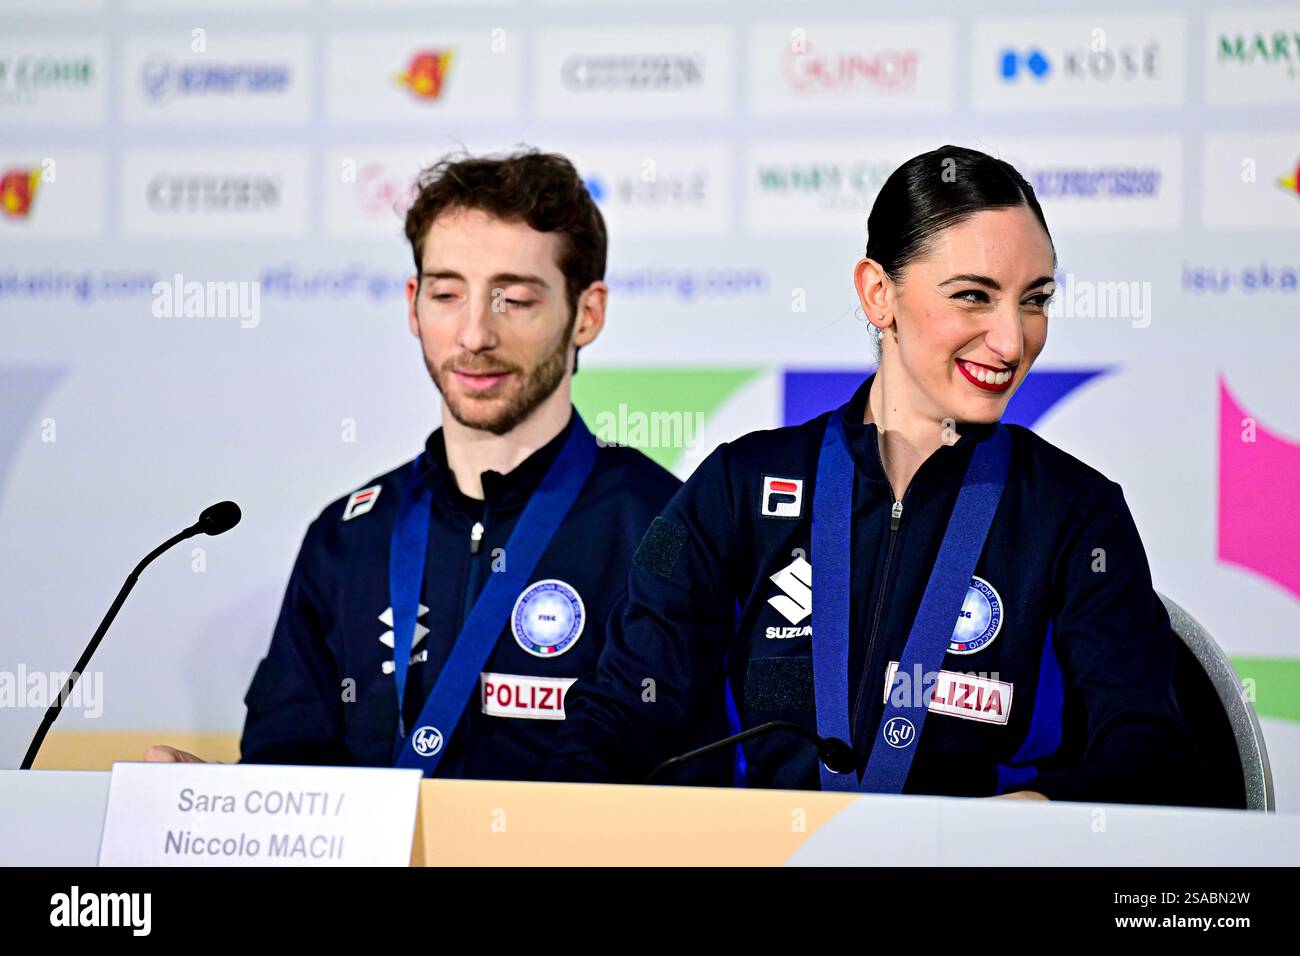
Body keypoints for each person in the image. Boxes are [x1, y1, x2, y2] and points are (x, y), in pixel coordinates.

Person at [545, 144, 1203, 804]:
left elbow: (1150, 757)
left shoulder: (1077, 512)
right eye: (973, 296)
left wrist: (1033, 818)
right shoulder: (736, 487)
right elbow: (622, 715)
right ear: (878, 293)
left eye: (1034, 300)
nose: (1012, 340)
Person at [147, 149, 727, 781]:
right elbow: (288, 775)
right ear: (413, 304)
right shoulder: (348, 537)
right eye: (447, 294)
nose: (475, 334)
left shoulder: (664, 531)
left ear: (586, 314)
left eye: (514, 299)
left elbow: (695, 799)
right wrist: (215, 794)